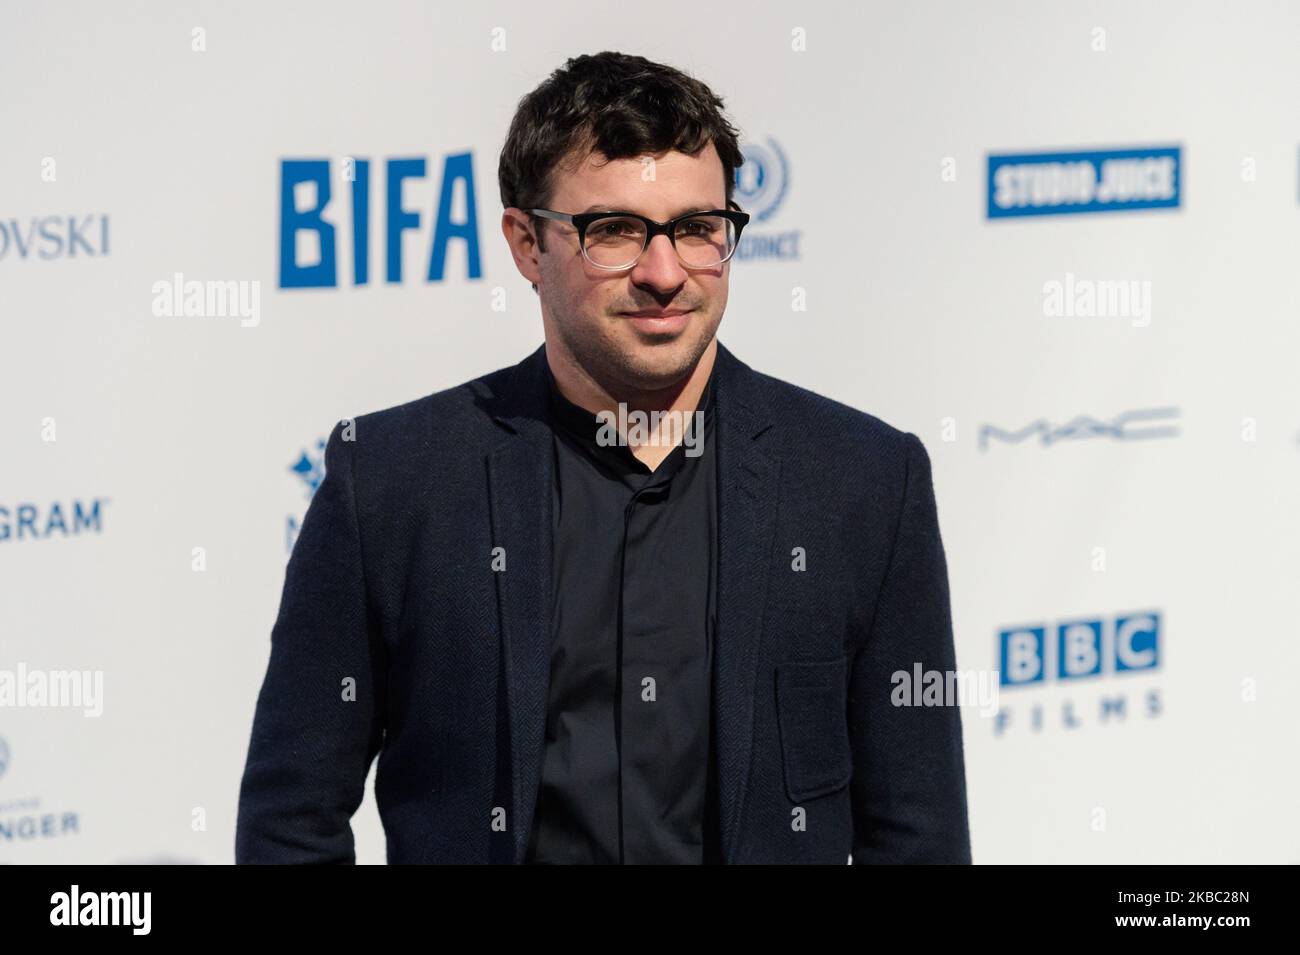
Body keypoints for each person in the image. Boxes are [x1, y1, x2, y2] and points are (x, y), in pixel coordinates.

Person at [236, 50, 972, 864]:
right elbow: (290, 821)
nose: (665, 273)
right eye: (614, 231)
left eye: (697, 230)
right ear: (525, 243)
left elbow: (920, 834)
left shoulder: (864, 480)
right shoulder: (389, 480)